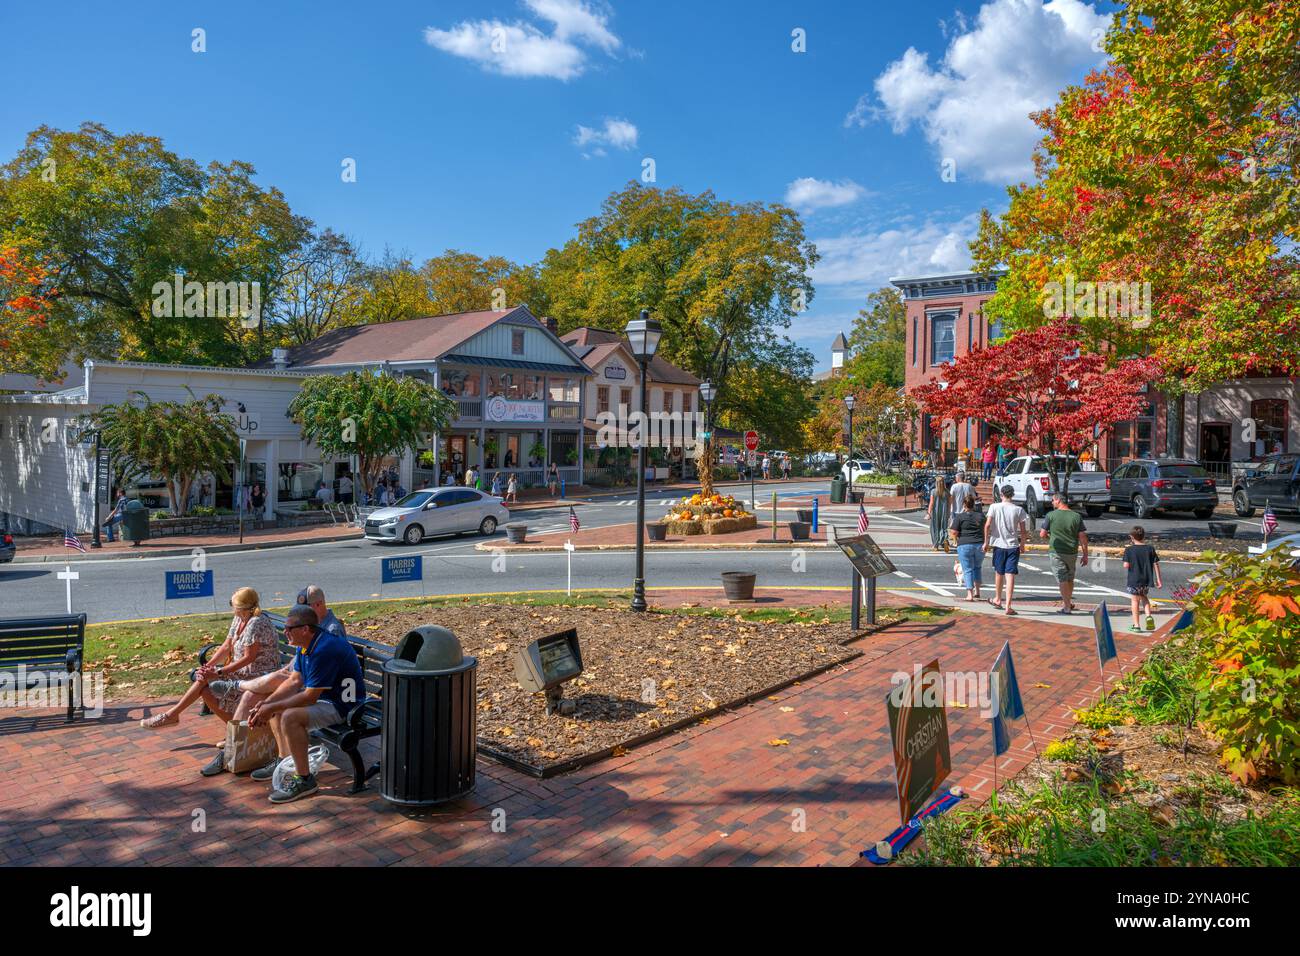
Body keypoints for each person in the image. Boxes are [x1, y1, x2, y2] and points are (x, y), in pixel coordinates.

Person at [231, 605, 367, 803]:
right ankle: (284, 760)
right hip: (327, 699)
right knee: (278, 707)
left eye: (289, 629)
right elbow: (294, 680)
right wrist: (266, 704)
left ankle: (304, 780)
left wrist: (272, 707)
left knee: (290, 716)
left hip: (345, 707)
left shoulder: (324, 649)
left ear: (305, 629)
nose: (284, 632)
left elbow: (310, 697)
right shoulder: (306, 645)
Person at [140, 587, 281, 777]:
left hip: (258, 675)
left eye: (233, 605)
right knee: (205, 686)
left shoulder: (256, 623)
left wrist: (220, 671)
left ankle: (172, 715)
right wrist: (209, 666)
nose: (232, 608)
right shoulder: (240, 618)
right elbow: (225, 646)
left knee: (207, 681)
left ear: (242, 607)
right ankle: (232, 733)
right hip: (241, 671)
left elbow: (249, 658)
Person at [1039, 493, 1089, 614]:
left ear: (1058, 500)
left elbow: (1042, 534)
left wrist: (1050, 537)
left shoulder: (1051, 515)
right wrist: (1085, 554)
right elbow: (1082, 536)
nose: (1051, 502)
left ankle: (1066, 606)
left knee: (1062, 579)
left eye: (1052, 500)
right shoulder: (1076, 516)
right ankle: (1068, 602)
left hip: (1056, 551)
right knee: (1070, 578)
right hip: (1072, 552)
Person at [984, 484, 1028, 615]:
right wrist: (1023, 544)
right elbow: (1023, 531)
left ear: (1001, 494)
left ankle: (998, 598)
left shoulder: (994, 507)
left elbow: (987, 525)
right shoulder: (1019, 510)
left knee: (999, 572)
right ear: (1012, 495)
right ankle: (1008, 605)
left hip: (998, 544)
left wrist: (986, 542)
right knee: (1010, 575)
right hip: (1013, 545)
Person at [1122, 526, 1162, 632]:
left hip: (1134, 580)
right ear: (1144, 536)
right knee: (1144, 597)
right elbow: (1156, 564)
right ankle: (1148, 616)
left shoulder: (1129, 550)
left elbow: (1126, 565)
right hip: (1146, 580)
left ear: (1131, 537)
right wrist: (1158, 580)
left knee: (1135, 601)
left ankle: (1136, 625)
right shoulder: (1150, 549)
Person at [949, 490, 986, 602]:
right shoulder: (980, 516)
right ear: (973, 504)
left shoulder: (960, 517)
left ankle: (970, 594)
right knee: (977, 567)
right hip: (979, 544)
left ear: (964, 505)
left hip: (964, 544)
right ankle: (978, 591)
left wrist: (957, 537)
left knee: (967, 569)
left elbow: (954, 532)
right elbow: (986, 528)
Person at [927, 475, 950, 551]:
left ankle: (935, 545)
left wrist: (929, 513)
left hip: (936, 513)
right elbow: (949, 503)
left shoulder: (933, 491)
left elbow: (931, 503)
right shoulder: (947, 492)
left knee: (935, 528)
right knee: (943, 527)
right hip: (944, 512)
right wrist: (949, 512)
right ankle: (944, 540)